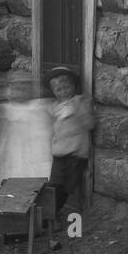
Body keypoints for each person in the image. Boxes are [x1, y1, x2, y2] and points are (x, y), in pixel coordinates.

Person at [44, 66, 95, 217]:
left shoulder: (80, 102)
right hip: (59, 153)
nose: (63, 92)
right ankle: (48, 214)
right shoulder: (53, 107)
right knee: (54, 184)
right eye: (59, 89)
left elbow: (90, 124)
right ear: (54, 92)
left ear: (73, 86)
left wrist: (80, 111)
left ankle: (57, 213)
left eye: (67, 87)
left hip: (76, 152)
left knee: (69, 186)